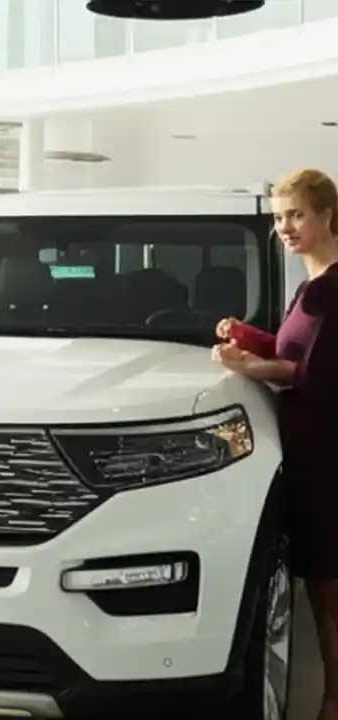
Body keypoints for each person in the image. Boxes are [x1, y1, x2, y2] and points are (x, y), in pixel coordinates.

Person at [213, 167, 338, 718]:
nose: (284, 227)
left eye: (296, 215)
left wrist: (251, 365)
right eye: (279, 217)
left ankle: (334, 699)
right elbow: (294, 349)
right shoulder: (309, 286)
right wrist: (248, 335)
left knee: (330, 592)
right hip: (307, 453)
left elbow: (312, 375)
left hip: (327, 456)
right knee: (321, 588)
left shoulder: (334, 288)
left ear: (327, 216)